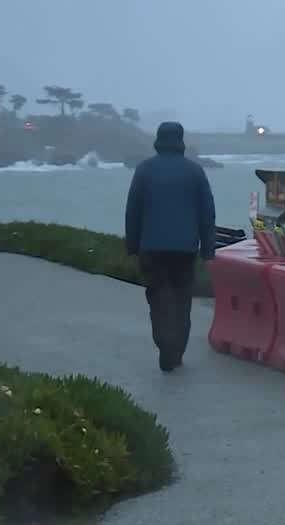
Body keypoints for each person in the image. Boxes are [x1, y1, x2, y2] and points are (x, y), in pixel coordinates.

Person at [125, 121, 217, 372]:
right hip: (186, 249)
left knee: (158, 296)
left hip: (151, 248)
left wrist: (131, 247)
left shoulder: (144, 170)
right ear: (181, 140)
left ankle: (165, 343)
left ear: (157, 140)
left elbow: (133, 210)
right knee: (182, 298)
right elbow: (207, 214)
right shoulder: (195, 172)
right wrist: (209, 250)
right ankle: (175, 350)